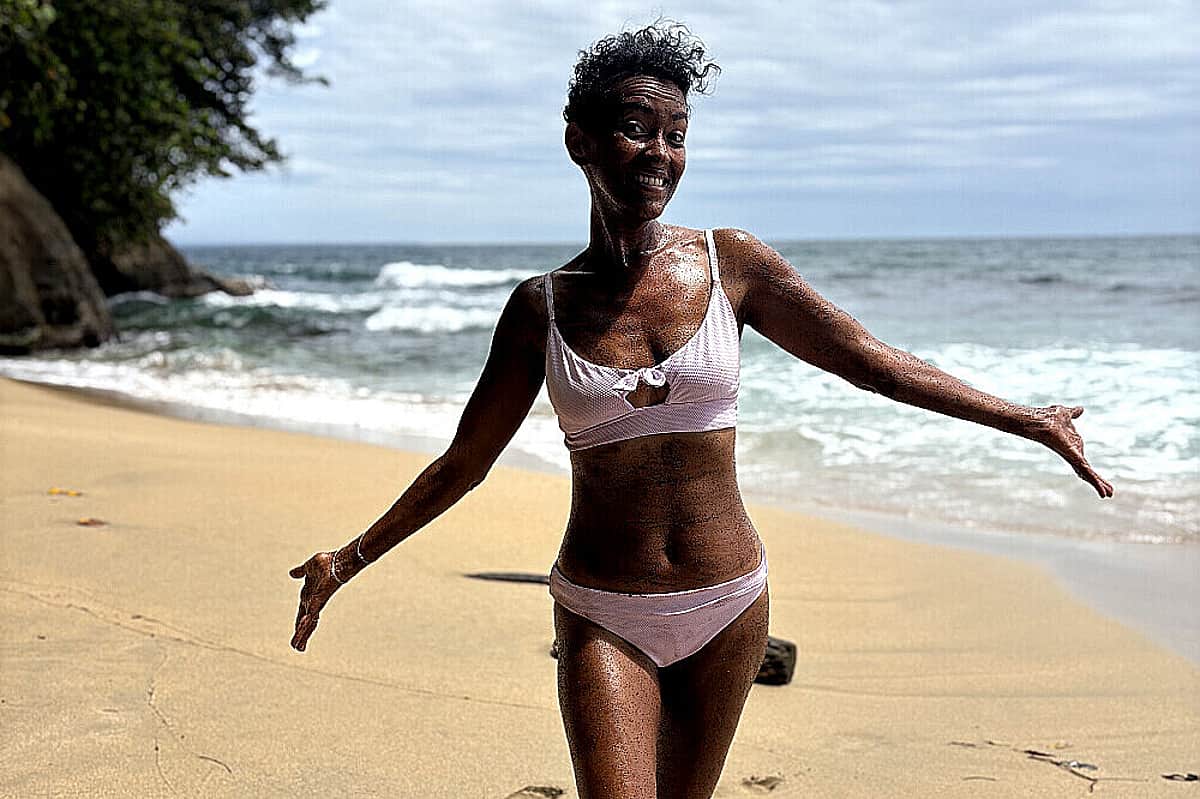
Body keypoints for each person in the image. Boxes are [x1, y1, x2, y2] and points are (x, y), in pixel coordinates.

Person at [289, 22, 1113, 799]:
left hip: (730, 604)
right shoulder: (541, 307)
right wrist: (348, 558)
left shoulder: (732, 263)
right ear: (580, 140)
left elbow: (875, 365)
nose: (660, 153)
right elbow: (463, 464)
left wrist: (1028, 418)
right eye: (637, 128)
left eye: (676, 134)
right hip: (602, 612)